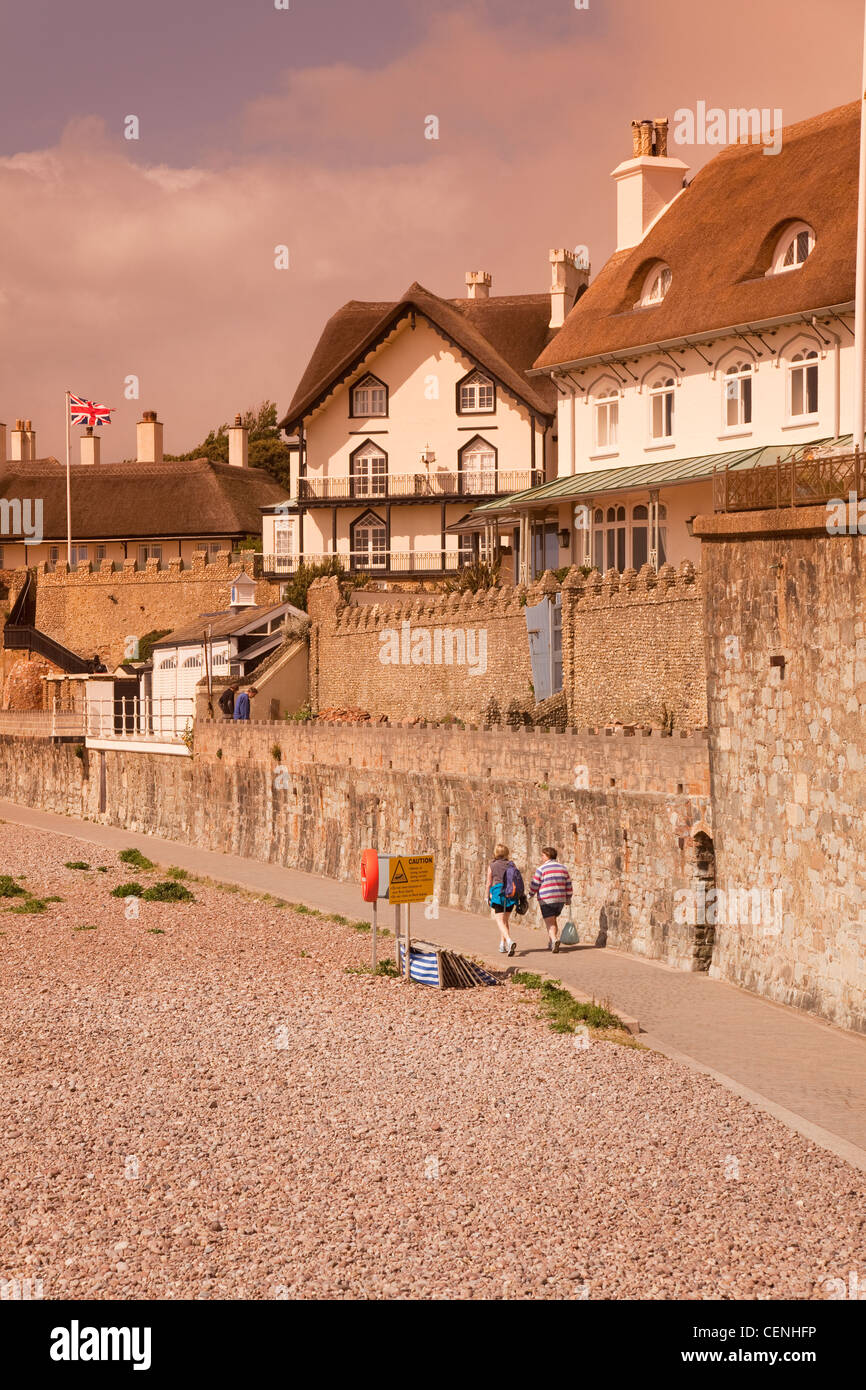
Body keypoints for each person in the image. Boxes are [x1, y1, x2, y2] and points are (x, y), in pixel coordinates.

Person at [529, 847, 573, 953]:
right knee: (553, 920)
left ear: (548, 856)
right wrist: (568, 897)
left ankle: (554, 939)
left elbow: (535, 884)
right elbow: (568, 884)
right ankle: (551, 943)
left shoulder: (541, 869)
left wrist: (530, 894)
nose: (541, 857)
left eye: (543, 855)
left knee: (549, 923)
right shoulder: (563, 868)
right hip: (560, 899)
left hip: (547, 899)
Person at [486, 842, 522, 957]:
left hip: (498, 895)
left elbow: (488, 883)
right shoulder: (511, 865)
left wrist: (487, 896)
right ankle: (502, 944)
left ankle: (509, 941)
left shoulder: (492, 865)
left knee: (499, 921)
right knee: (505, 920)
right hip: (511, 894)